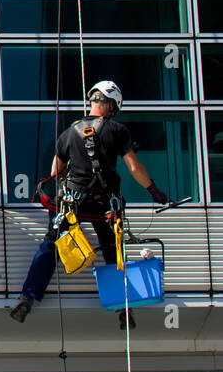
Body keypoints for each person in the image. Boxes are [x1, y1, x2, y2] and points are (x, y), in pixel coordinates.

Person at [10, 80, 171, 330]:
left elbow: (56, 171)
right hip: (103, 203)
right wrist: (154, 190)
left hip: (72, 202)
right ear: (110, 105)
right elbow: (133, 167)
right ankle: (122, 306)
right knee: (111, 250)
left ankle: (27, 298)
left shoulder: (70, 132)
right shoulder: (117, 130)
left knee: (51, 245)